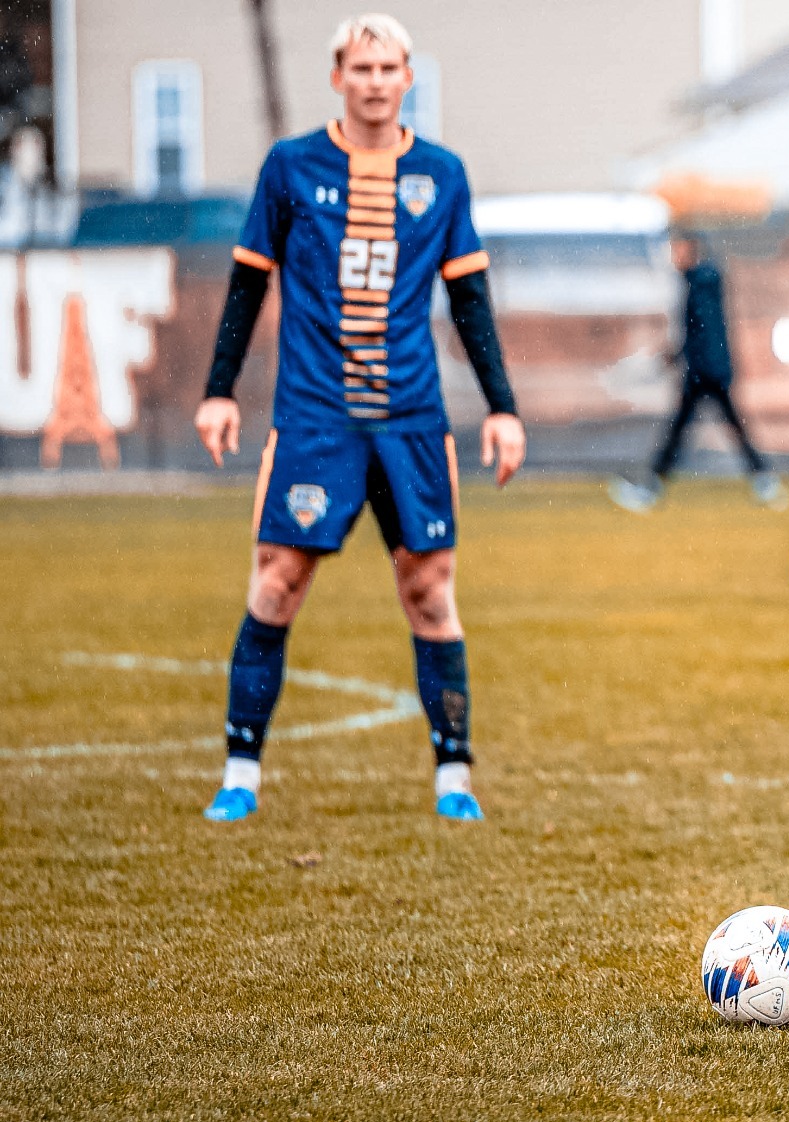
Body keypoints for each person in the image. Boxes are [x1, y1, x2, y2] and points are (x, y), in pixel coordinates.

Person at [193, 13, 525, 823]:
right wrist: (219, 389)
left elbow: (470, 299)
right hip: (314, 415)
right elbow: (246, 285)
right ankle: (241, 773)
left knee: (429, 591)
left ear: (407, 78)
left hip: (411, 417)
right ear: (337, 76)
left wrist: (502, 409)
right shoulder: (291, 167)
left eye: (389, 68)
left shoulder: (441, 175)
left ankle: (455, 780)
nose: (375, 81)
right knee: (279, 581)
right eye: (361, 67)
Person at [609, 233, 788, 512]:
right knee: (720, 428)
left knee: (688, 430)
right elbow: (700, 330)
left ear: (688, 249)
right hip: (708, 370)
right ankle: (764, 481)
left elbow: (703, 330)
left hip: (705, 372)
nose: (672, 257)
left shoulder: (700, 282)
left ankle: (652, 488)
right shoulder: (700, 281)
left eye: (675, 250)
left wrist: (689, 361)